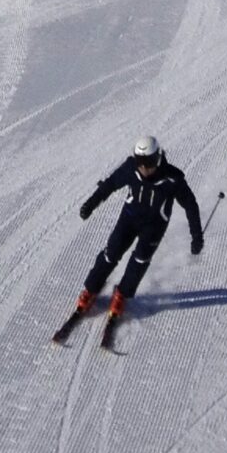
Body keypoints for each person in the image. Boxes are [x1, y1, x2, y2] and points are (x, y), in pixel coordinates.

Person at [69, 136, 204, 328]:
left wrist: (197, 236)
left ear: (158, 158)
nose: (144, 168)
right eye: (141, 162)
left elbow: (190, 205)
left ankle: (122, 294)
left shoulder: (172, 179)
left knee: (140, 260)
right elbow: (110, 184)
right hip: (129, 220)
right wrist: (90, 204)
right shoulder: (131, 168)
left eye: (149, 163)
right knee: (111, 253)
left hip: (154, 225)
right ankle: (91, 290)